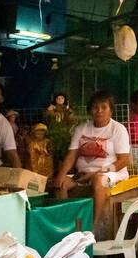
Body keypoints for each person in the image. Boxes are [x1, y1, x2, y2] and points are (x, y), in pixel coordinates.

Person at [52, 90, 131, 232]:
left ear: (111, 110)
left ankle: (92, 227)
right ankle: (68, 227)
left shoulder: (118, 129)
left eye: (104, 107)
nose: (99, 111)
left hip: (111, 173)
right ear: (90, 110)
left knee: (99, 180)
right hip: (83, 174)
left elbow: (124, 160)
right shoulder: (81, 128)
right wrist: (61, 174)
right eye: (95, 107)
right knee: (60, 184)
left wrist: (98, 172)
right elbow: (71, 155)